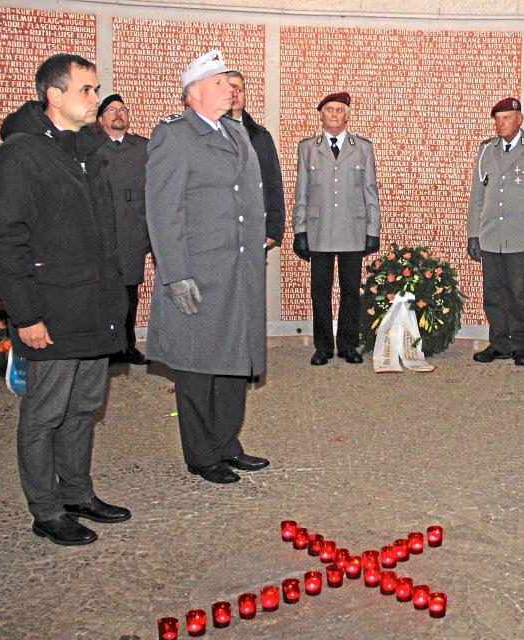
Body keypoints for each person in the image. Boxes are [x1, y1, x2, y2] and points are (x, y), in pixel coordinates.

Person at [0, 54, 131, 545]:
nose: (97, 98)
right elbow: (5, 241)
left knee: (83, 406)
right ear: (55, 95)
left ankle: (76, 492)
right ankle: (46, 509)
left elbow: (104, 236)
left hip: (93, 307)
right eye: (88, 90)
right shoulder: (19, 154)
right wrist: (25, 315)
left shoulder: (89, 149)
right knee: (44, 412)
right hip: (50, 310)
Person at [145, 50, 270, 484]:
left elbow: (250, 203)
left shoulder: (237, 132)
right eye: (220, 82)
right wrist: (175, 274)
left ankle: (226, 443)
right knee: (197, 364)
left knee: (234, 358)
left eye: (231, 83)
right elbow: (163, 212)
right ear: (194, 92)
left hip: (238, 270)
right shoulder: (174, 136)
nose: (229, 89)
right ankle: (201, 454)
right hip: (200, 270)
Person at [466, 97, 524, 366]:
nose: (501, 123)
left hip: (521, 236)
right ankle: (498, 343)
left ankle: (519, 344)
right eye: (497, 118)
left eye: (506, 118)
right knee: (493, 292)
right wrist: (474, 233)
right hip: (491, 234)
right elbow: (477, 196)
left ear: (519, 119)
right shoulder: (487, 150)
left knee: (517, 292)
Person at [291, 91, 380, 365]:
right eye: (329, 109)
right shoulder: (307, 148)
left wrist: (373, 229)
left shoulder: (362, 148)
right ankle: (323, 347)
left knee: (351, 291)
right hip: (319, 231)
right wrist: (300, 230)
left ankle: (348, 345)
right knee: (320, 291)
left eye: (339, 110)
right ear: (321, 114)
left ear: (347, 115)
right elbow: (301, 193)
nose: (334, 114)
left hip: (353, 230)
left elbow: (370, 191)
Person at [94, 93, 151, 366]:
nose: (119, 114)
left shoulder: (144, 148)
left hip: (132, 232)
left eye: (123, 110)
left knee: (129, 294)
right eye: (112, 110)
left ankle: (128, 345)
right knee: (102, 293)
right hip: (99, 235)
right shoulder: (90, 148)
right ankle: (104, 347)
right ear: (100, 118)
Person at [225, 71, 285, 250]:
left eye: (239, 90)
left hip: (254, 230)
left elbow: (273, 183)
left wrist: (273, 229)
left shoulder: (261, 136)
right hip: (220, 232)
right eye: (230, 89)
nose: (235, 94)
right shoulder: (209, 134)